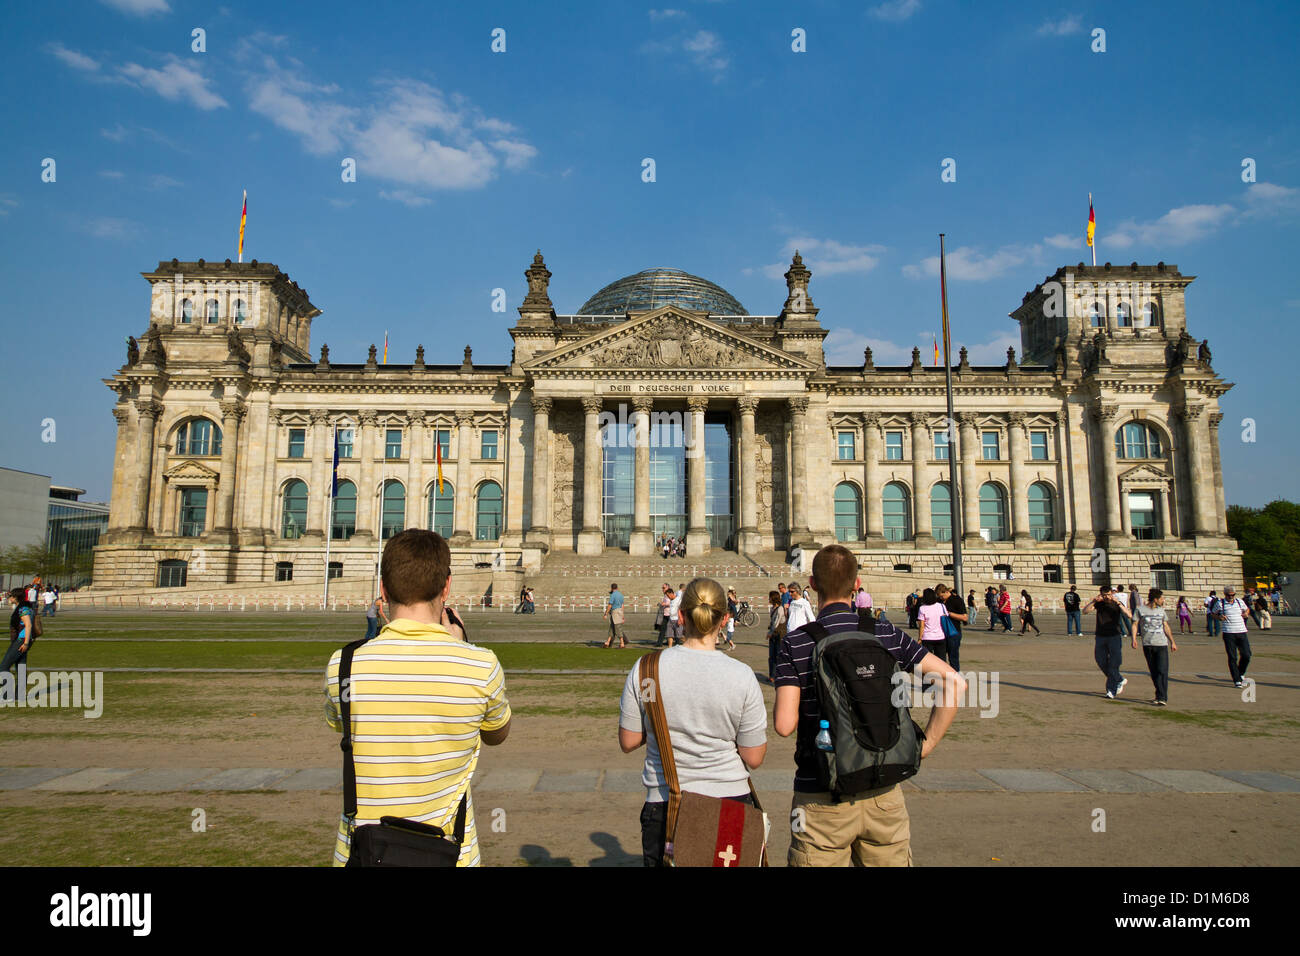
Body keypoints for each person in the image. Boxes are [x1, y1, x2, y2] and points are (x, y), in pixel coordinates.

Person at [324, 530, 511, 866]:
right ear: (447, 588)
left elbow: (344, 724)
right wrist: (462, 647)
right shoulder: (480, 666)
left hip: (361, 855)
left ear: (382, 590)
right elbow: (496, 734)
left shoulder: (343, 666)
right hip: (448, 856)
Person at [773, 544, 965, 867]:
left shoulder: (796, 642)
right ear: (857, 583)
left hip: (820, 797)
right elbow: (954, 682)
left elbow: (783, 725)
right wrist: (925, 744)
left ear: (813, 584)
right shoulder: (884, 632)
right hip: (883, 791)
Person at [619, 577, 767, 867]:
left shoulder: (647, 669)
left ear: (681, 615)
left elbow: (629, 741)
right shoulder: (742, 675)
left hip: (665, 805)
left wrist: (660, 724)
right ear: (724, 619)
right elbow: (754, 756)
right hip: (730, 802)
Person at [1082, 585, 1132, 698]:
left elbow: (1129, 615)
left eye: (1109, 594)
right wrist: (1093, 601)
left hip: (1114, 636)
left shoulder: (1116, 603)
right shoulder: (1099, 603)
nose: (1107, 597)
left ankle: (1111, 690)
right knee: (1100, 660)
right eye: (1104, 595)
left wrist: (1118, 603)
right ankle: (1119, 679)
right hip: (1100, 636)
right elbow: (1085, 611)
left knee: (1114, 664)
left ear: (1112, 593)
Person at [1132, 588, 1176, 706]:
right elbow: (1135, 624)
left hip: (1161, 644)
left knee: (1162, 670)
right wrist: (1134, 639)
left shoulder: (1161, 610)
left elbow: (1166, 626)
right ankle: (1159, 694)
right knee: (1154, 671)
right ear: (1155, 599)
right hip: (1147, 644)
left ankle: (1162, 697)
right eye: (1161, 598)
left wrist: (1172, 641)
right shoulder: (1140, 610)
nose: (1163, 600)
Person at [2, 589, 37, 702]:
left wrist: (26, 642)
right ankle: (20, 695)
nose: (9, 598)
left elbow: (28, 625)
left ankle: (7, 694)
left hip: (21, 640)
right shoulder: (26, 607)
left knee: (3, 667)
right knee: (21, 668)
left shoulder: (23, 609)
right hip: (23, 640)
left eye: (11, 596)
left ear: (16, 597)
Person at [1217, 586, 1252, 688]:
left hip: (1242, 631)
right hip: (1228, 632)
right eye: (1229, 595)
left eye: (1233, 595)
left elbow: (1247, 609)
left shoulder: (1239, 602)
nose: (1231, 597)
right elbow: (1213, 614)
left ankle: (1240, 673)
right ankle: (1236, 680)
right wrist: (1219, 617)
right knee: (1232, 657)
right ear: (1225, 594)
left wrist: (1246, 613)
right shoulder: (1220, 603)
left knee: (1247, 655)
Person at [937, 584, 967, 670]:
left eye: (942, 596)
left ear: (946, 592)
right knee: (941, 656)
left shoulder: (957, 600)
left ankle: (955, 677)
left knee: (953, 657)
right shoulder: (939, 601)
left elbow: (964, 617)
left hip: (954, 632)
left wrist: (949, 614)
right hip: (942, 632)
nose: (941, 598)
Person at [916, 587, 950, 662]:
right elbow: (946, 617)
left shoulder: (922, 608)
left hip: (927, 637)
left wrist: (920, 638)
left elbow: (922, 626)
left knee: (927, 660)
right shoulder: (941, 606)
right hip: (940, 636)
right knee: (941, 660)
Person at [766, 589, 787, 682]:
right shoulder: (772, 608)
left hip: (779, 634)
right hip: (773, 634)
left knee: (778, 655)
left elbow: (776, 623)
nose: (768, 599)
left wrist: (770, 633)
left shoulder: (780, 609)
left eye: (770, 597)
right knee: (771, 656)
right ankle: (772, 675)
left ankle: (778, 675)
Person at [603, 583, 628, 649]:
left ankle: (622, 643)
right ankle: (607, 642)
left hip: (615, 612)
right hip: (620, 611)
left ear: (611, 588)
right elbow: (622, 605)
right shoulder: (621, 595)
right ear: (617, 588)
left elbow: (610, 605)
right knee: (612, 627)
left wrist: (606, 613)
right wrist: (623, 615)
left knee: (617, 628)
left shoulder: (613, 595)